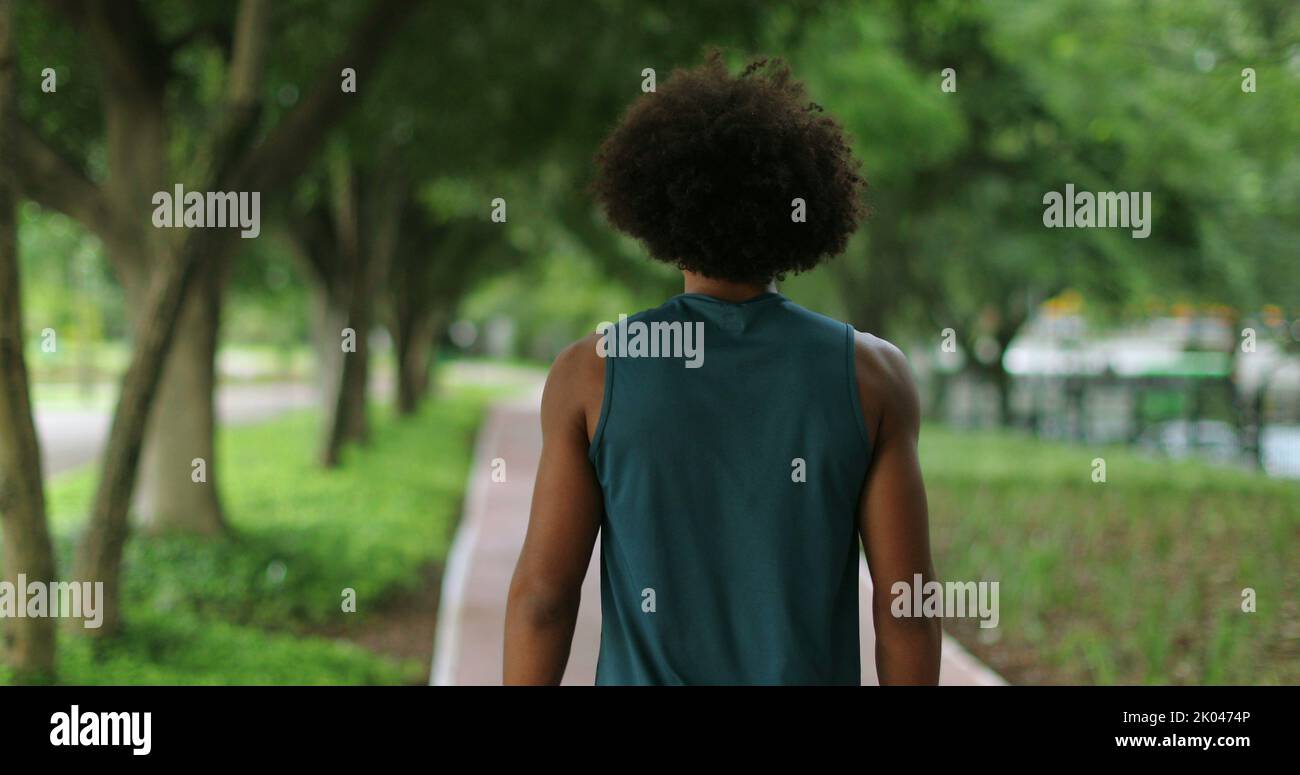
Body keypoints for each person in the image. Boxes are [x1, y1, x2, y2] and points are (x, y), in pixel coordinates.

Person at [504, 53, 940, 685]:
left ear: (656, 209)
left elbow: (542, 600)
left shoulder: (591, 373)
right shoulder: (873, 377)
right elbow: (907, 612)